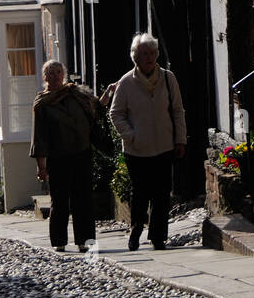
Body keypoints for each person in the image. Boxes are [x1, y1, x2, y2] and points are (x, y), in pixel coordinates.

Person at [109, 33, 186, 252]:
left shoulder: (168, 79)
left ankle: (158, 236)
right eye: (144, 54)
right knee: (140, 192)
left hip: (164, 145)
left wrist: (180, 139)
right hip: (136, 150)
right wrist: (131, 135)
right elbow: (116, 114)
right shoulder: (126, 82)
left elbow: (178, 111)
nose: (149, 57)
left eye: (152, 53)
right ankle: (136, 228)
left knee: (162, 193)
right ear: (135, 57)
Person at [30, 61, 97, 254]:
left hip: (81, 153)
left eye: (58, 72)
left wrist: (106, 97)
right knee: (59, 201)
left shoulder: (76, 94)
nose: (55, 76)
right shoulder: (42, 103)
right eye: (50, 73)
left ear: (64, 74)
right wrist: (40, 166)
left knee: (83, 198)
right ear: (45, 78)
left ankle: (85, 241)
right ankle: (59, 240)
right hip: (58, 157)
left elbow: (93, 111)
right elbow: (39, 136)